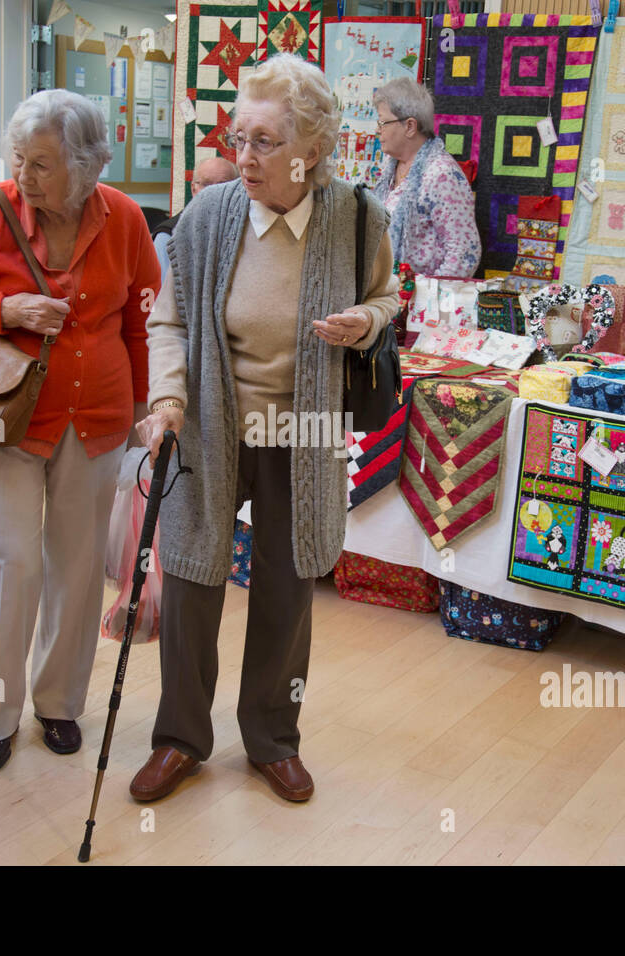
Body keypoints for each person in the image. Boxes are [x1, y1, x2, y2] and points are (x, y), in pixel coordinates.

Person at [132, 53, 400, 804]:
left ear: (310, 152)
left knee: (287, 587)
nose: (242, 157)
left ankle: (272, 738)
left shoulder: (355, 219)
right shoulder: (209, 215)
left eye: (263, 142)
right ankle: (181, 737)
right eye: (238, 137)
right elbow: (169, 318)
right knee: (190, 576)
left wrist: (364, 320)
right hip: (214, 423)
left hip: (304, 432)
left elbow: (388, 297)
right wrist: (167, 399)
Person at [0, 89, 160, 772]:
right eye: (19, 159)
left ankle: (59, 703)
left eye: (42, 164)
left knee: (79, 565)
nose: (25, 176)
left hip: (98, 417)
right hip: (4, 414)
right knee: (7, 561)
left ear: (86, 167)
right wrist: (9, 311)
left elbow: (143, 322)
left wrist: (148, 409)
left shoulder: (124, 220)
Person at [371, 76, 480, 277]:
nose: (377, 129)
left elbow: (464, 254)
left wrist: (424, 296)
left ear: (410, 126)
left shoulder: (442, 175)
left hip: (421, 301)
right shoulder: (390, 168)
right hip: (388, 294)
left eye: (383, 122)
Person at [151, 156, 237, 275]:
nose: (214, 191)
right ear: (193, 189)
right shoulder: (167, 236)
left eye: (223, 185)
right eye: (206, 184)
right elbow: (161, 290)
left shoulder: (248, 231)